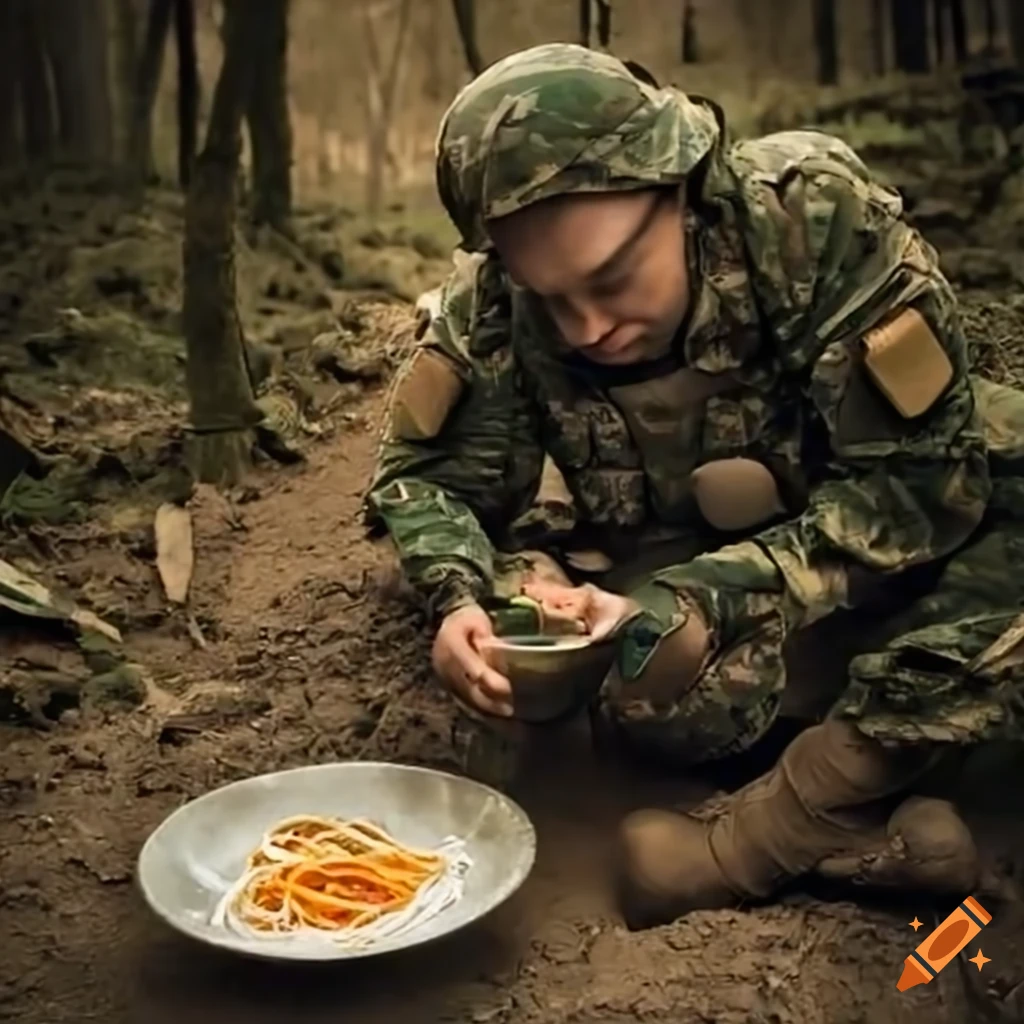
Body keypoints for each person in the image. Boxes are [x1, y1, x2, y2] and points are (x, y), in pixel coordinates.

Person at [365, 43, 1024, 927]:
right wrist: (468, 594)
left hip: (926, 533)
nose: (589, 326)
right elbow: (420, 479)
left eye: (612, 279)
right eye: (550, 297)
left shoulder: (813, 223)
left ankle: (779, 830)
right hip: (733, 576)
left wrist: (715, 592)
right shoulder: (493, 301)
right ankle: (887, 808)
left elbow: (922, 487)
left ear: (681, 192)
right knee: (650, 688)